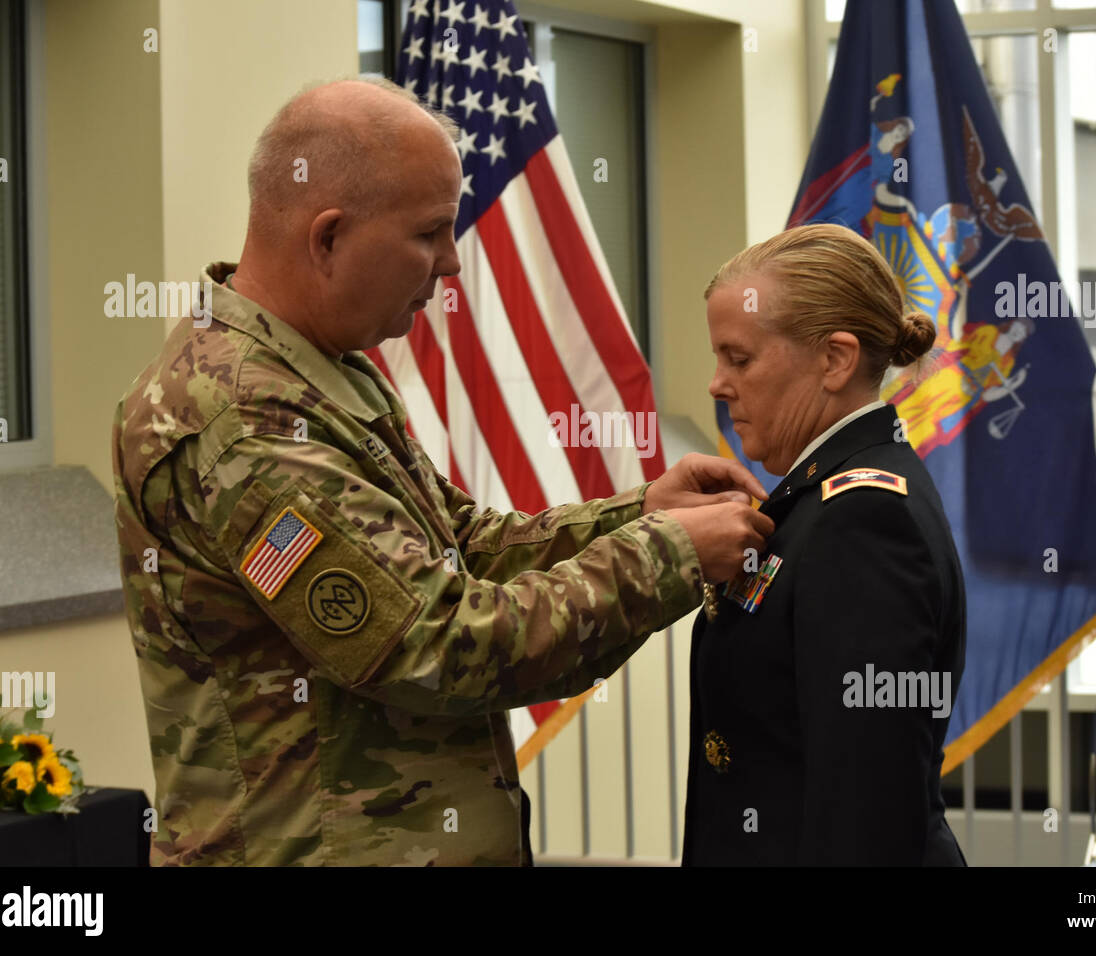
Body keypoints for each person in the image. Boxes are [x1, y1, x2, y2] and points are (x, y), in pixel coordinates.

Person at [111, 77, 773, 866]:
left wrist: (636, 515)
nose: (451, 265)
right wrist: (667, 555)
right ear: (327, 239)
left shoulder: (319, 370)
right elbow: (435, 647)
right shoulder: (243, 423)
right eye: (429, 233)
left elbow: (460, 544)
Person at [682, 222, 967, 866]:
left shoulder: (862, 519)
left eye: (739, 357)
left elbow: (865, 809)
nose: (717, 384)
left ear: (835, 360)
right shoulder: (820, 497)